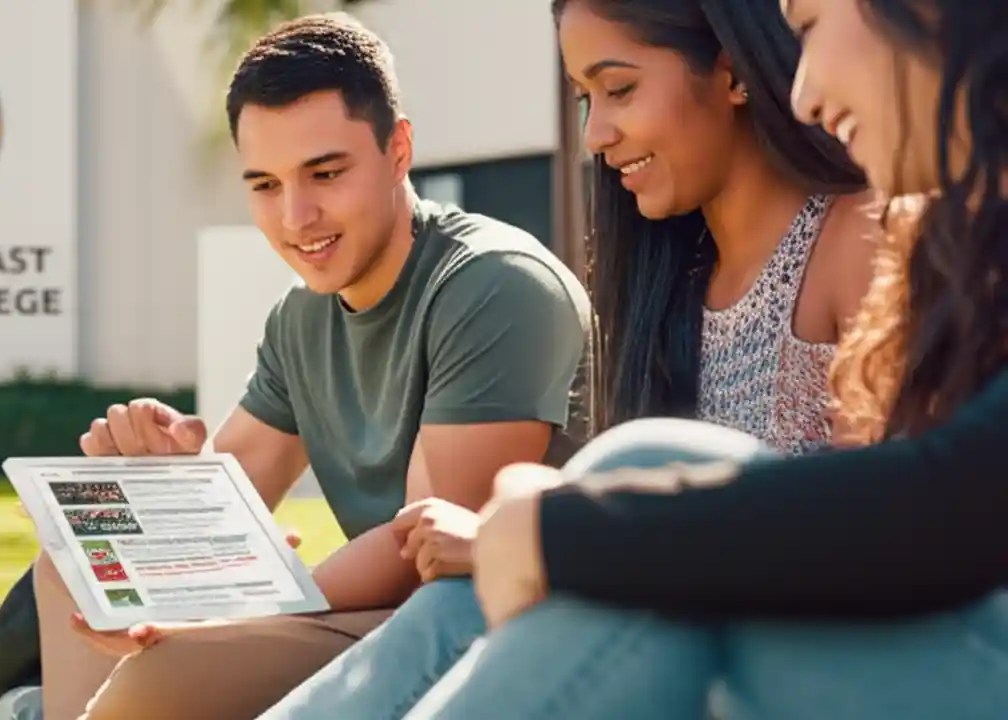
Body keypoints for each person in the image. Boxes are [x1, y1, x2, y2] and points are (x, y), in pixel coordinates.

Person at [261, 0, 879, 716]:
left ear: (732, 73)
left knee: (610, 487)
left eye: (619, 90)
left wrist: (561, 538)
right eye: (586, 99)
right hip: (679, 648)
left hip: (816, 665)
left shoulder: (853, 241)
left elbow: (896, 530)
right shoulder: (669, 294)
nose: (596, 135)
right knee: (454, 608)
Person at [395, 1, 1008, 718]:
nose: (804, 92)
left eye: (808, 26)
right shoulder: (964, 252)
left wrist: (560, 531)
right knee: (622, 491)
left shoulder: (853, 243)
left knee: (646, 525)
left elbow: (950, 507)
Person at [29, 12, 593, 720]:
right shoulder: (302, 317)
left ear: (398, 149)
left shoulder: (496, 284)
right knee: (70, 567)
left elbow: (419, 544)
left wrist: (234, 618)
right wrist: (159, 486)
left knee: (160, 678)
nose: (297, 217)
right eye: (265, 185)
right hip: (365, 617)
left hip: (470, 615)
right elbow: (231, 492)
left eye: (325, 173)